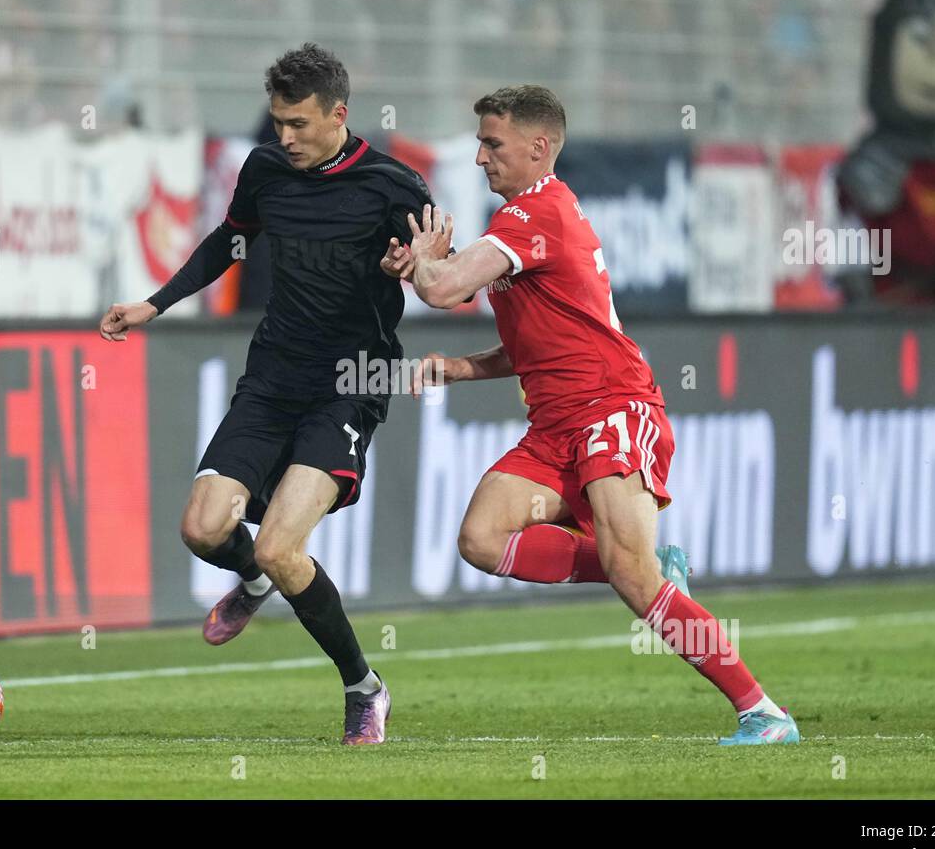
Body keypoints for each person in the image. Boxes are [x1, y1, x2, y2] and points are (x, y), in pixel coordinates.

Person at [387, 85, 799, 745]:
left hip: (611, 409)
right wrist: (463, 366)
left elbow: (443, 289)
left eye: (492, 144)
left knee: (634, 579)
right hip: (555, 425)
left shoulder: (535, 215)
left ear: (537, 147)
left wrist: (426, 265)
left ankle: (763, 711)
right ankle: (635, 558)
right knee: (483, 539)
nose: (480, 158)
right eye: (479, 144)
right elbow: (539, 345)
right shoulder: (526, 221)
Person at [99, 44, 438, 746]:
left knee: (287, 547)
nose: (284, 138)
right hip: (273, 376)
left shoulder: (393, 185)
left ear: (338, 115)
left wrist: (414, 262)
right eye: (279, 123)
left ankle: (364, 689)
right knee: (202, 528)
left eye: (299, 125)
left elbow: (437, 263)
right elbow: (231, 240)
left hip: (348, 385)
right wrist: (155, 304)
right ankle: (250, 577)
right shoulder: (265, 169)